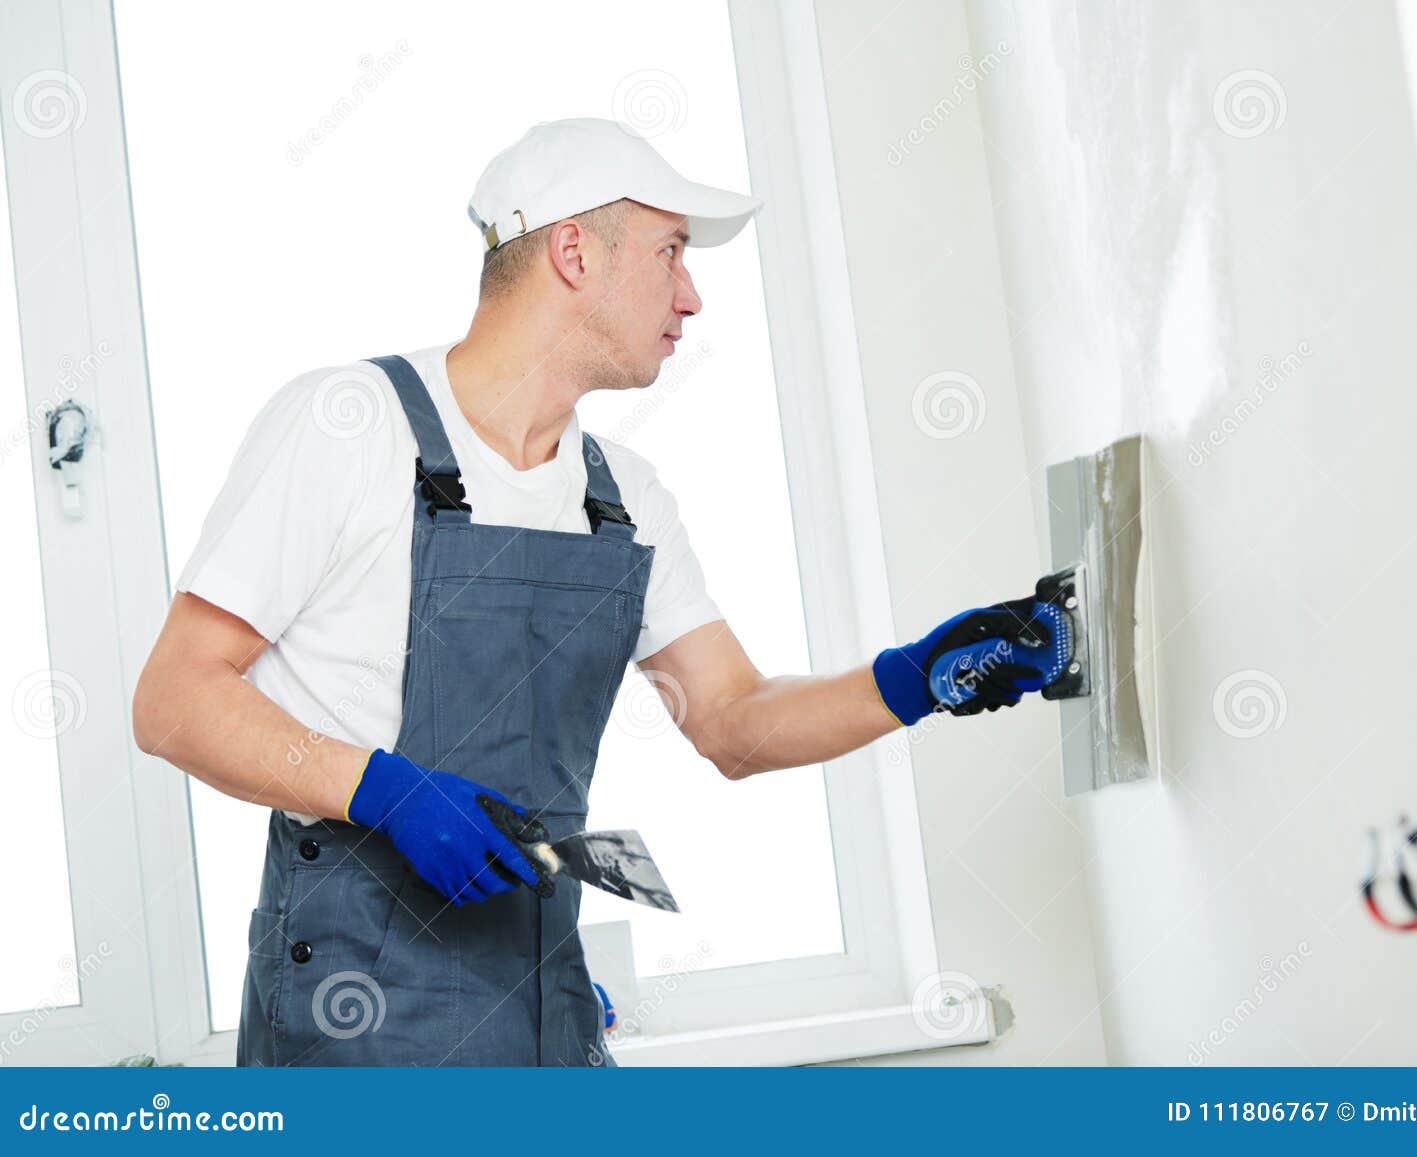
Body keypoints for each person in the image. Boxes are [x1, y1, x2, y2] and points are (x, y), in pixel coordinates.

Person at [131, 117, 1063, 1067]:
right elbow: (175, 700)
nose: (692, 297)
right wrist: (387, 791)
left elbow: (734, 721)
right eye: (671, 254)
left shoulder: (621, 499)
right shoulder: (349, 428)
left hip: (537, 996)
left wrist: (914, 679)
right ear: (573, 251)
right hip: (356, 1017)